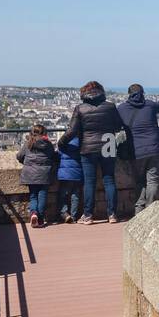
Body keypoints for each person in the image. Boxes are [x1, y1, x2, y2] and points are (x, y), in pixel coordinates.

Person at [59, 81, 123, 224]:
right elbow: (118, 126)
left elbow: (72, 131)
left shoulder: (80, 108)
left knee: (89, 182)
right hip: (109, 145)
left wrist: (61, 143)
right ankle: (112, 214)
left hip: (88, 147)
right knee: (109, 180)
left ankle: (88, 215)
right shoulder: (110, 107)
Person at [116, 84, 159, 216]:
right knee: (152, 180)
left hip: (136, 150)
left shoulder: (122, 108)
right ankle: (150, 209)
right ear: (143, 93)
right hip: (154, 148)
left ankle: (139, 210)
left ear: (129, 94)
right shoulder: (150, 105)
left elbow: (116, 124)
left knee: (139, 181)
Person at [16, 123, 56, 228]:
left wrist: (26, 162)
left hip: (30, 173)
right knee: (42, 195)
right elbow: (53, 156)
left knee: (33, 196)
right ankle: (41, 219)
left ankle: (34, 213)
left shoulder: (28, 143)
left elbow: (19, 156)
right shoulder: (48, 144)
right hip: (44, 174)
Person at [55, 135, 83, 223]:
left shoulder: (64, 143)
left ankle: (64, 213)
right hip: (77, 173)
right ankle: (74, 216)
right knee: (75, 195)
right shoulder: (81, 142)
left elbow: (58, 155)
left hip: (65, 174)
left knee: (63, 195)